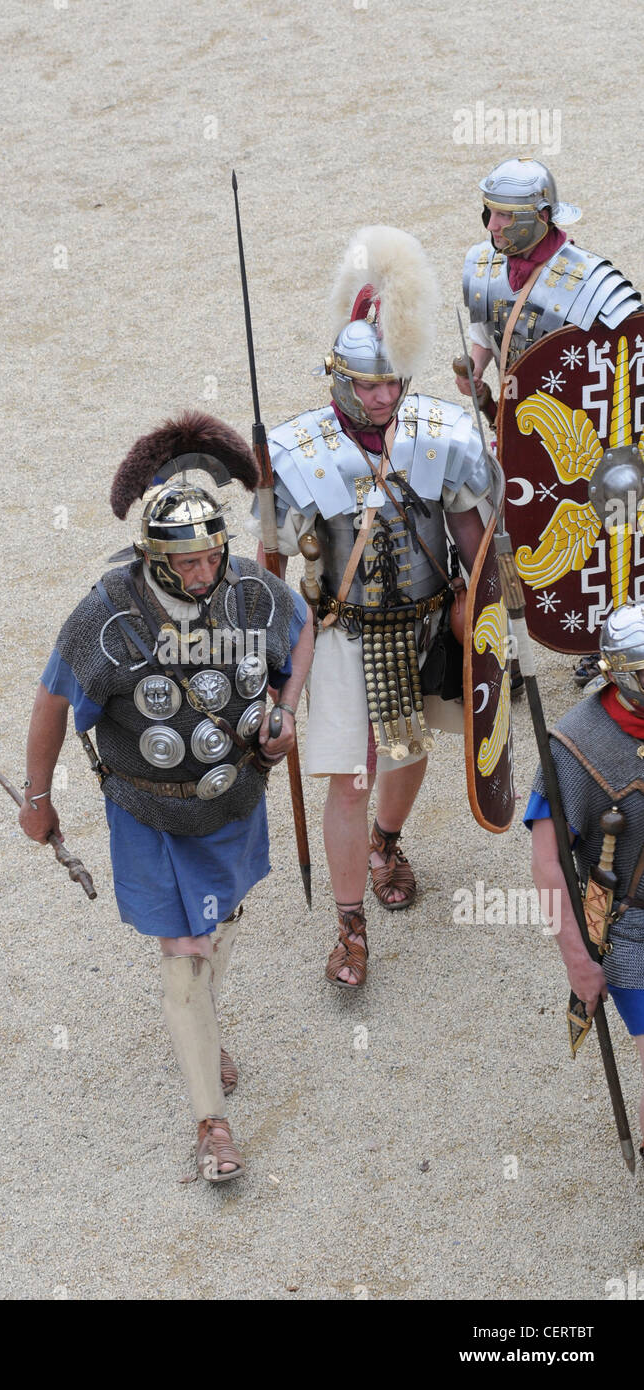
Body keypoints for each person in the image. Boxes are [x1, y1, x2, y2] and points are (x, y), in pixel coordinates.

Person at [19, 411, 312, 1183]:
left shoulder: (249, 588)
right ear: (153, 558)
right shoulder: (106, 616)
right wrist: (34, 795)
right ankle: (210, 1124)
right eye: (183, 562)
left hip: (232, 799)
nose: (201, 572)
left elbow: (302, 625)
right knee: (182, 957)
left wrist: (285, 706)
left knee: (222, 926)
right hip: (148, 810)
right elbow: (52, 703)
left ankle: (202, 1030)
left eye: (210, 555)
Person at [247, 227, 492, 990]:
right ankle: (348, 927)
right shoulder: (297, 452)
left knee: (410, 754)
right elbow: (271, 562)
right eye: (370, 385)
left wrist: (492, 615)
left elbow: (470, 537)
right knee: (348, 776)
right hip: (343, 633)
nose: (385, 397)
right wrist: (268, 657)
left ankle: (387, 841)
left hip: (425, 625)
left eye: (394, 383)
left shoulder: (439, 435)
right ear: (338, 380)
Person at [459, 156, 642, 686]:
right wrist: (476, 367)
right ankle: (512, 648)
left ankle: (606, 642)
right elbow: (484, 322)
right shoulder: (483, 265)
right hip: (513, 435)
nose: (492, 227)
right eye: (488, 213)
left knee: (604, 539)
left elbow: (630, 360)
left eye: (504, 218)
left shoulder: (591, 282)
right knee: (502, 537)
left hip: (583, 443)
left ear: (541, 217)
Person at [527, 602, 644, 1157]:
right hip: (631, 930)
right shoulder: (571, 749)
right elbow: (547, 864)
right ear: (623, 674)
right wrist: (577, 959)